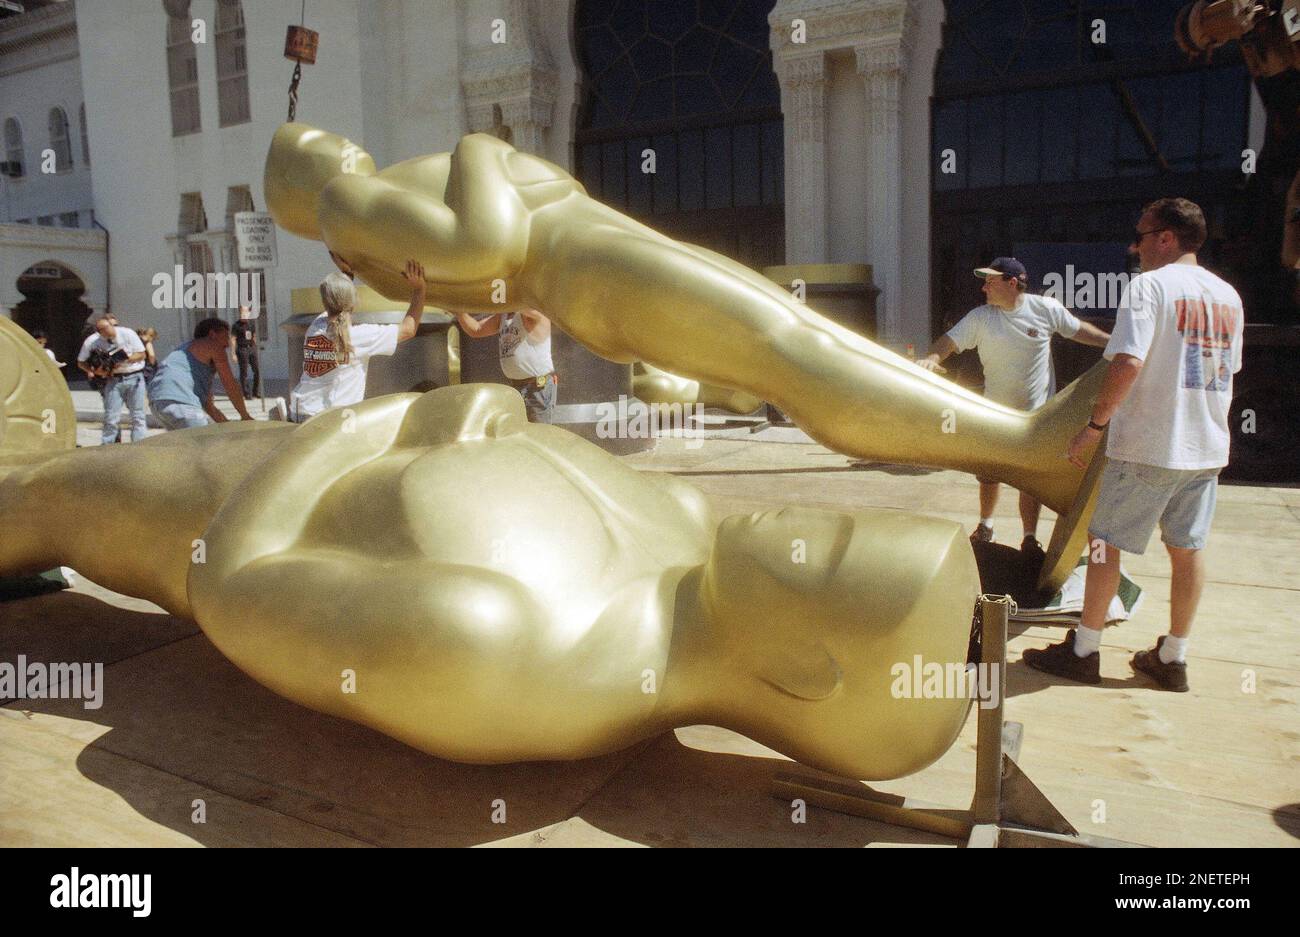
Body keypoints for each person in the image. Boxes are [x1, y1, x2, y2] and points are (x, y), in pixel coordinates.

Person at [1026, 198, 1245, 691]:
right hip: (1206, 447)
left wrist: (1095, 425)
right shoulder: (1228, 296)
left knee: (1103, 547)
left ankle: (1084, 650)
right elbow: (1227, 371)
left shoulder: (1148, 287)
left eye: (1141, 235)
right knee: (1187, 550)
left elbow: (1127, 361)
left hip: (1150, 444)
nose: (1134, 245)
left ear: (1166, 238)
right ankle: (1173, 657)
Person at [918, 257, 1111, 551]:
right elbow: (948, 341)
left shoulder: (1044, 309)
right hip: (994, 415)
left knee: (1029, 480)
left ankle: (1030, 537)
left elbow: (1080, 331)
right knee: (988, 475)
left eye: (990, 282)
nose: (984, 288)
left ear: (1012, 283)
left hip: (1037, 417)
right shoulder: (981, 317)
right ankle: (985, 525)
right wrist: (931, 359)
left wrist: (1117, 345)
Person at [288, 260, 426, 422]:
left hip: (302, 412)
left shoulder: (315, 327)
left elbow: (337, 301)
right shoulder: (360, 336)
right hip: (333, 419)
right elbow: (408, 330)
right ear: (354, 302)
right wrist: (419, 289)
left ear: (325, 301)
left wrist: (347, 275)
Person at [450, 308, 557, 423]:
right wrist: (459, 312)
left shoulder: (533, 312)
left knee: (538, 435)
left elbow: (529, 309)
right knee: (518, 435)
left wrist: (505, 299)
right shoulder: (504, 315)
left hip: (537, 387)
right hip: (516, 387)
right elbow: (477, 329)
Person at [149, 318, 255, 430]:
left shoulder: (191, 356)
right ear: (212, 334)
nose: (227, 344)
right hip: (180, 402)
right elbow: (230, 385)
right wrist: (245, 416)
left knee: (189, 445)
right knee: (206, 444)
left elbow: (209, 406)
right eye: (225, 336)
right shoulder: (212, 345)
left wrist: (228, 428)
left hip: (157, 402)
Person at [77, 315, 148, 444]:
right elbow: (81, 362)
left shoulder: (128, 333)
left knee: (138, 415)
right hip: (112, 379)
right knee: (111, 417)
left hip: (134, 375)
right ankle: (108, 445)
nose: (110, 338)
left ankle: (139, 445)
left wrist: (123, 359)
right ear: (99, 333)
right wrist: (95, 371)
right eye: (106, 336)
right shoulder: (92, 341)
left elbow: (142, 354)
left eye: (111, 334)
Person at [233, 305, 260, 398]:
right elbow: (233, 339)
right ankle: (246, 392)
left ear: (249, 313)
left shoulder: (251, 324)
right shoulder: (236, 325)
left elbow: (254, 336)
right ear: (239, 313)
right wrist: (233, 354)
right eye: (242, 312)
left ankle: (255, 391)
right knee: (244, 372)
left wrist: (255, 348)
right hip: (242, 349)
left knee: (257, 370)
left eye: (245, 312)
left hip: (251, 348)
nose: (243, 314)